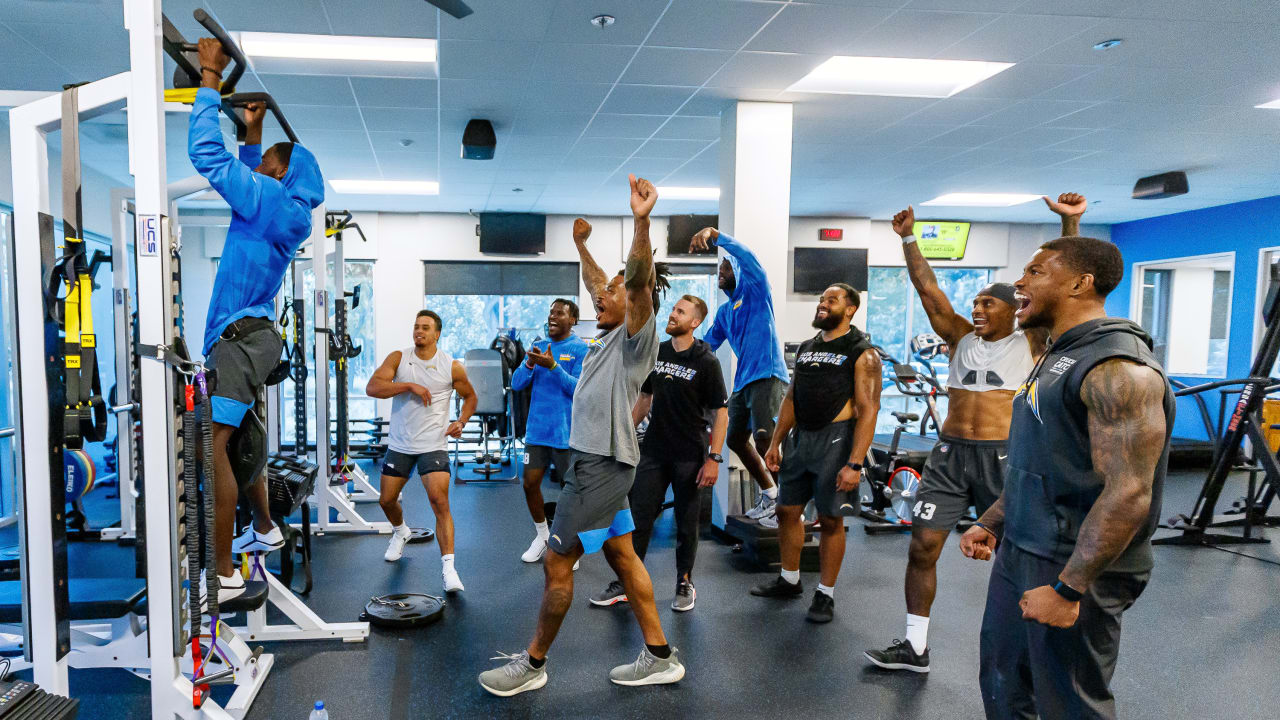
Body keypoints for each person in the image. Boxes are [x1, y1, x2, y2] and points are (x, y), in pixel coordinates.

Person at [479, 177, 685, 696]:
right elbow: (607, 283)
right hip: (595, 460)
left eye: (610, 291)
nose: (600, 294)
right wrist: (580, 247)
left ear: (634, 301)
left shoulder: (636, 338)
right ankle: (660, 655)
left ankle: (532, 664)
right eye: (600, 291)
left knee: (557, 561)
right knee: (622, 554)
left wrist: (640, 221)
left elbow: (635, 283)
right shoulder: (604, 335)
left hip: (600, 465)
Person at [864, 196, 1085, 672]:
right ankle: (915, 647)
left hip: (1004, 456)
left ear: (1014, 309)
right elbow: (928, 291)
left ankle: (1032, 649)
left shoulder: (1031, 341)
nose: (979, 309)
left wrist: (1070, 222)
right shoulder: (960, 338)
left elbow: (1066, 284)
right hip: (949, 455)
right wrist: (907, 238)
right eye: (976, 302)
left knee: (1018, 556)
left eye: (989, 303)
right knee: (922, 544)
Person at [959, 235, 1173, 719]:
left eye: (1036, 271)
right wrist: (994, 520)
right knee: (1003, 684)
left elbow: (1129, 491)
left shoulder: (1117, 369)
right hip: (1025, 548)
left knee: (1069, 703)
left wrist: (1070, 588)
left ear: (1080, 283)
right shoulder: (1060, 354)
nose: (1020, 281)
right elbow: (1042, 459)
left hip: (1074, 561)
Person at [189, 38, 324, 603]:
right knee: (243, 445)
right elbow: (247, 172)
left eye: (268, 157)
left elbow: (207, 158)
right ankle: (265, 528)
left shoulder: (269, 200)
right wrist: (249, 130)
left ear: (282, 171)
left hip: (240, 338)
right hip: (256, 337)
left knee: (210, 446)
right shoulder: (284, 207)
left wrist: (209, 77)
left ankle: (221, 573)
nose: (261, 160)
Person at [750, 284, 881, 624]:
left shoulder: (862, 351)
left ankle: (825, 593)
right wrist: (776, 441)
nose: (823, 304)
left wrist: (854, 463)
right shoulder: (808, 348)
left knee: (831, 519)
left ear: (850, 309)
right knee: (785, 511)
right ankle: (790, 579)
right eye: (821, 299)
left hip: (836, 441)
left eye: (831, 300)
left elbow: (868, 410)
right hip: (800, 439)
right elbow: (791, 397)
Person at [589, 294, 728, 612]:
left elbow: (721, 413)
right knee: (638, 519)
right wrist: (621, 437)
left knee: (686, 522)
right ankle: (626, 581)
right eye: (674, 309)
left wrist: (714, 458)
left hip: (689, 455)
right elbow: (644, 399)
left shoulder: (706, 360)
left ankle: (684, 582)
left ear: (695, 322)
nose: (673, 314)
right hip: (653, 451)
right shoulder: (659, 352)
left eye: (681, 312)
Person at [365, 310, 478, 593]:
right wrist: (408, 385)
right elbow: (373, 387)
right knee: (386, 500)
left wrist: (461, 421)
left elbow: (471, 397)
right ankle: (401, 532)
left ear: (437, 333)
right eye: (416, 326)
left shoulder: (450, 366)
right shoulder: (399, 358)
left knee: (439, 502)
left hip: (433, 443)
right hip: (401, 444)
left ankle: (449, 569)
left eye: (426, 327)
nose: (419, 331)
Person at [688, 227, 790, 525]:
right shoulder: (724, 312)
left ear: (738, 272)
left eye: (725, 268)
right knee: (734, 440)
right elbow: (706, 346)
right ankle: (771, 494)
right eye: (719, 269)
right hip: (744, 382)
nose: (720, 273)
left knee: (764, 439)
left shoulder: (756, 290)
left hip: (767, 375)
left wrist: (717, 237)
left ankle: (787, 504)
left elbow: (748, 257)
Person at [510, 299, 589, 563]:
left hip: (566, 435)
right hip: (537, 433)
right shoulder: (539, 347)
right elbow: (517, 384)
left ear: (573, 319)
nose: (553, 317)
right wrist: (531, 364)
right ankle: (543, 535)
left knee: (571, 491)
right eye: (551, 312)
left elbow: (578, 389)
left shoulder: (580, 349)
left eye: (560, 313)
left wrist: (553, 367)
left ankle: (568, 543)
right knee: (530, 484)